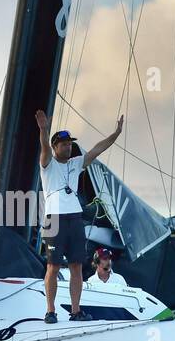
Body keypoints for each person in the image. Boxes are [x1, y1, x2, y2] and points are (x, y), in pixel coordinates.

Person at [35, 110, 124, 324]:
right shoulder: (48, 164)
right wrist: (44, 130)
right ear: (56, 146)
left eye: (69, 143)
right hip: (54, 219)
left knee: (76, 266)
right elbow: (45, 147)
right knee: (53, 267)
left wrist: (116, 133)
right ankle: (50, 311)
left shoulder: (76, 163)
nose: (68, 146)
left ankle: (76, 311)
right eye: (63, 144)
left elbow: (97, 149)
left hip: (74, 218)